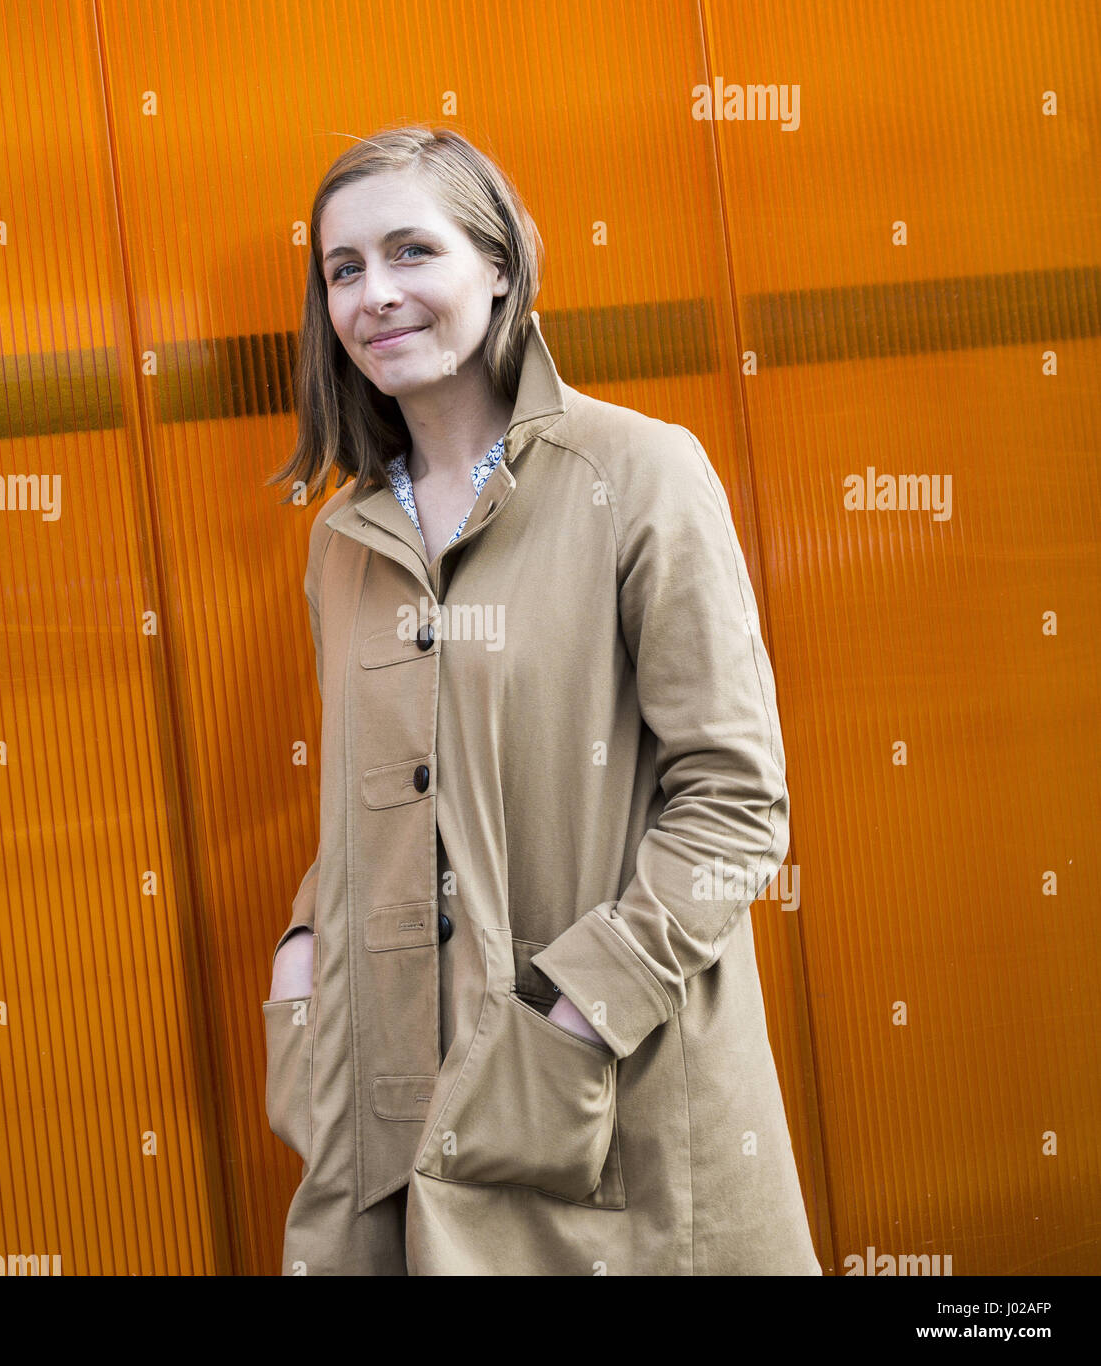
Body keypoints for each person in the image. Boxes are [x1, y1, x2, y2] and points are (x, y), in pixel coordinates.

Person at [263, 123, 821, 1276]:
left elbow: (734, 804)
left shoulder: (639, 474)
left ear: (500, 267)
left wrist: (571, 1019)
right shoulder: (339, 541)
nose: (376, 294)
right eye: (344, 269)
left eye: (412, 251)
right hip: (392, 1096)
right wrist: (303, 960)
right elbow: (383, 795)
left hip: (610, 1094)